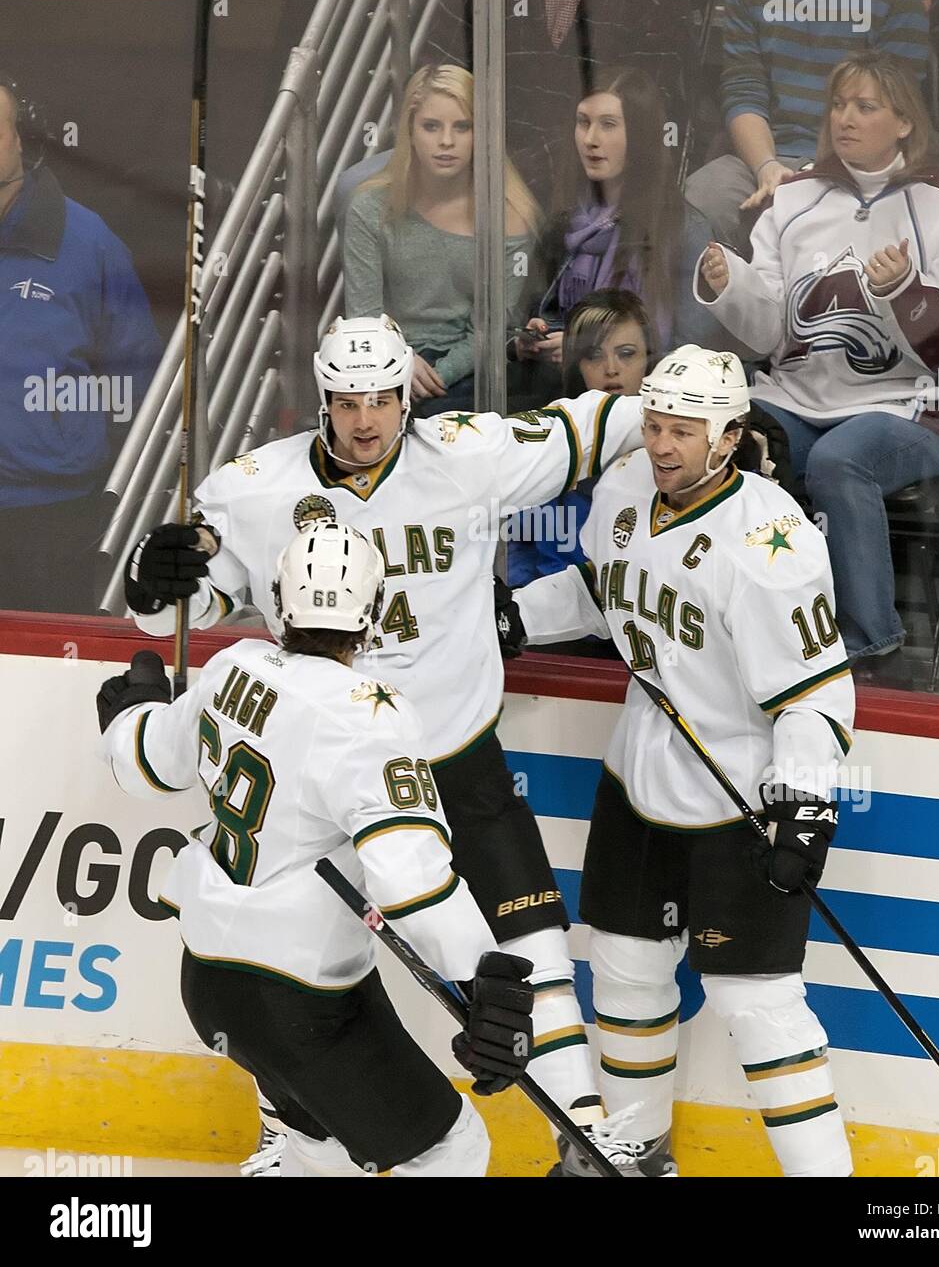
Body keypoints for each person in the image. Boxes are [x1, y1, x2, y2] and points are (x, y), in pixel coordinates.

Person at [121, 314, 649, 1169]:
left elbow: (598, 423)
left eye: (381, 399)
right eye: (345, 402)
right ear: (320, 399)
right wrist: (156, 579)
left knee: (532, 942)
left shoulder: (469, 452)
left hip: (453, 753)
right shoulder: (252, 487)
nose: (364, 421)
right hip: (327, 769)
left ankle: (583, 1131)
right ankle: (286, 1129)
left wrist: (707, 416)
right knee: (290, 962)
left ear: (409, 393)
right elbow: (186, 604)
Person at [501, 346, 856, 1178]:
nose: (662, 445)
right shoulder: (626, 488)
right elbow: (602, 587)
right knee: (623, 975)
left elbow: (815, 691)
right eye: (653, 425)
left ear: (729, 435)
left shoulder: (771, 543)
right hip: (638, 779)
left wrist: (804, 803)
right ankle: (635, 1156)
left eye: (683, 431)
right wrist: (513, 616)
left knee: (757, 1007)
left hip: (738, 798)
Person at [97, 522, 533, 1177]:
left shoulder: (232, 667)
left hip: (213, 984)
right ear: (374, 610)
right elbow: (409, 876)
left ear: (279, 595)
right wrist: (482, 976)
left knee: (322, 1150)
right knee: (450, 1150)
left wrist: (132, 713)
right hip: (302, 997)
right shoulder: (369, 714)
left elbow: (148, 767)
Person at [696, 52, 939, 681]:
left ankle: (872, 642)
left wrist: (907, 289)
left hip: (916, 409)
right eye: (839, 104)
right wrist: (732, 283)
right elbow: (771, 331)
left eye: (866, 106)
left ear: (904, 122)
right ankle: (725, 627)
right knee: (718, 436)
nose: (845, 119)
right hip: (798, 398)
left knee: (839, 459)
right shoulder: (793, 195)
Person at [684, 0, 929, 253]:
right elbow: (743, 90)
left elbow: (893, 115)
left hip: (859, 164)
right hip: (766, 156)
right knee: (698, 199)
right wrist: (766, 166)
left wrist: (818, 177)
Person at [423, 0, 692, 203]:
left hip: (588, 181)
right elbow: (441, 74)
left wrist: (506, 177)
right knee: (357, 184)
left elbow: (640, 120)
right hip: (471, 159)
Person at [0, 76, 161, 614]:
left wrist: (58, 425)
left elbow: (136, 380)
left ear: (20, 138)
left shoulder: (87, 242)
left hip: (51, 513)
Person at [342, 66, 540, 415]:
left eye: (462, 127)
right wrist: (400, 362)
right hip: (385, 363)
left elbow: (490, 331)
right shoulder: (369, 209)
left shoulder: (511, 214)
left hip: (472, 371)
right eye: (431, 127)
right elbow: (365, 318)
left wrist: (437, 376)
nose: (446, 141)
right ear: (410, 132)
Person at [516, 66, 727, 368]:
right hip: (563, 399)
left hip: (646, 403)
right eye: (583, 122)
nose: (590, 139)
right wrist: (531, 339)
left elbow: (693, 359)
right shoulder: (563, 224)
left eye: (608, 124)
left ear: (640, 135)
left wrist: (589, 352)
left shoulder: (684, 231)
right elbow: (540, 315)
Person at [508, 289, 655, 587]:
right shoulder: (548, 443)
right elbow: (518, 550)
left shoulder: (676, 452)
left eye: (626, 354)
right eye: (594, 355)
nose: (611, 368)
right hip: (557, 625)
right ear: (576, 365)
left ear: (649, 359)